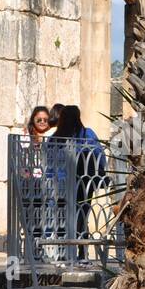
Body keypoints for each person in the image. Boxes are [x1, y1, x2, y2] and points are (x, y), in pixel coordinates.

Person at [51, 105, 106, 256]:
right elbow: (99, 156)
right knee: (82, 215)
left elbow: (49, 162)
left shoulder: (55, 138)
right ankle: (82, 252)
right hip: (84, 182)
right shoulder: (87, 134)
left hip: (63, 184)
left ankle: (64, 252)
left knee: (64, 215)